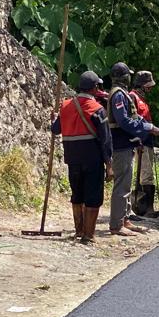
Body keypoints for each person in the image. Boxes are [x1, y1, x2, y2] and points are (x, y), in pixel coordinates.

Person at [51, 71, 113, 244]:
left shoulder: (65, 106)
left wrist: (54, 119)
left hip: (72, 158)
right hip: (92, 159)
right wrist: (109, 164)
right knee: (93, 196)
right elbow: (105, 140)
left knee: (77, 194)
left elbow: (55, 130)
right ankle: (88, 235)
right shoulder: (97, 109)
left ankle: (79, 231)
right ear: (94, 88)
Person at [106, 62, 159, 236]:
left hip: (127, 144)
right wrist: (148, 128)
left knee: (126, 184)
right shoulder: (118, 96)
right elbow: (124, 121)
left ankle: (125, 219)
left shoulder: (122, 94)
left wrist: (148, 127)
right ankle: (116, 224)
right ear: (124, 77)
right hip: (120, 145)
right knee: (121, 186)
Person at [129, 70, 159, 218]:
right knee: (146, 174)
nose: (150, 88)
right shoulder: (133, 97)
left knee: (146, 173)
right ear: (141, 85)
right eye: (148, 85)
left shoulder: (142, 98)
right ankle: (147, 208)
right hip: (141, 141)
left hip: (147, 140)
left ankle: (143, 206)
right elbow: (134, 120)